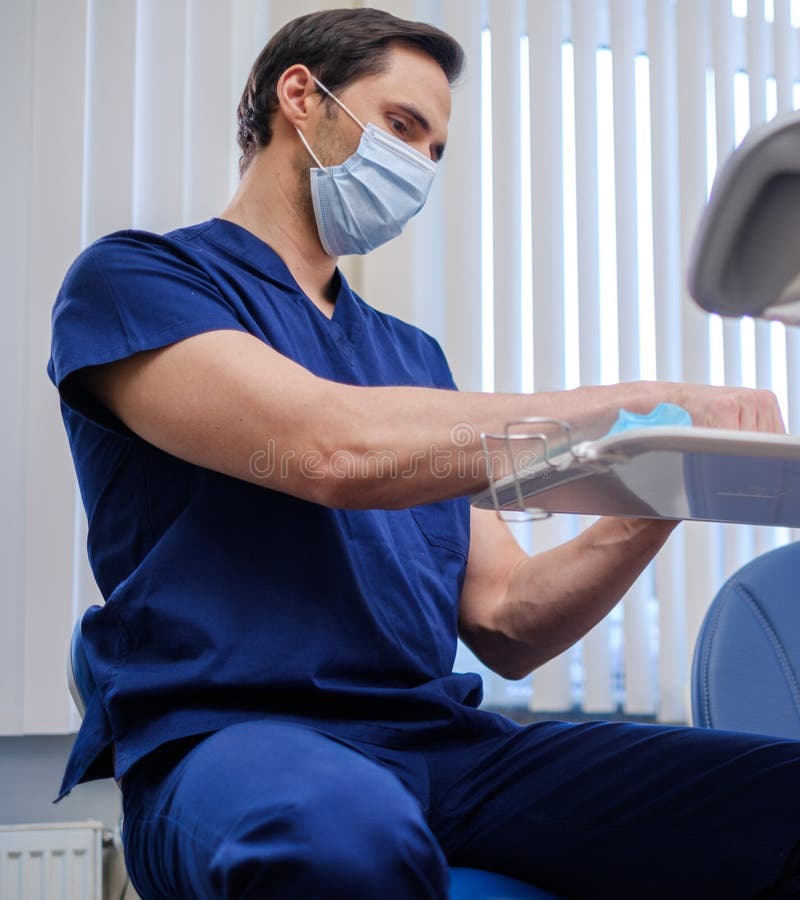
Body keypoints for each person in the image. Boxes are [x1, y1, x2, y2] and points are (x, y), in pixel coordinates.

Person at [48, 8, 800, 899]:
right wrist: (632, 406)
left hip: (441, 747)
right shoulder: (139, 282)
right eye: (403, 127)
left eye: (435, 151)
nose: (418, 167)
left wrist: (669, 476)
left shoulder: (414, 362)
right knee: (340, 843)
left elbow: (511, 622)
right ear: (300, 95)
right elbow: (330, 449)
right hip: (236, 739)